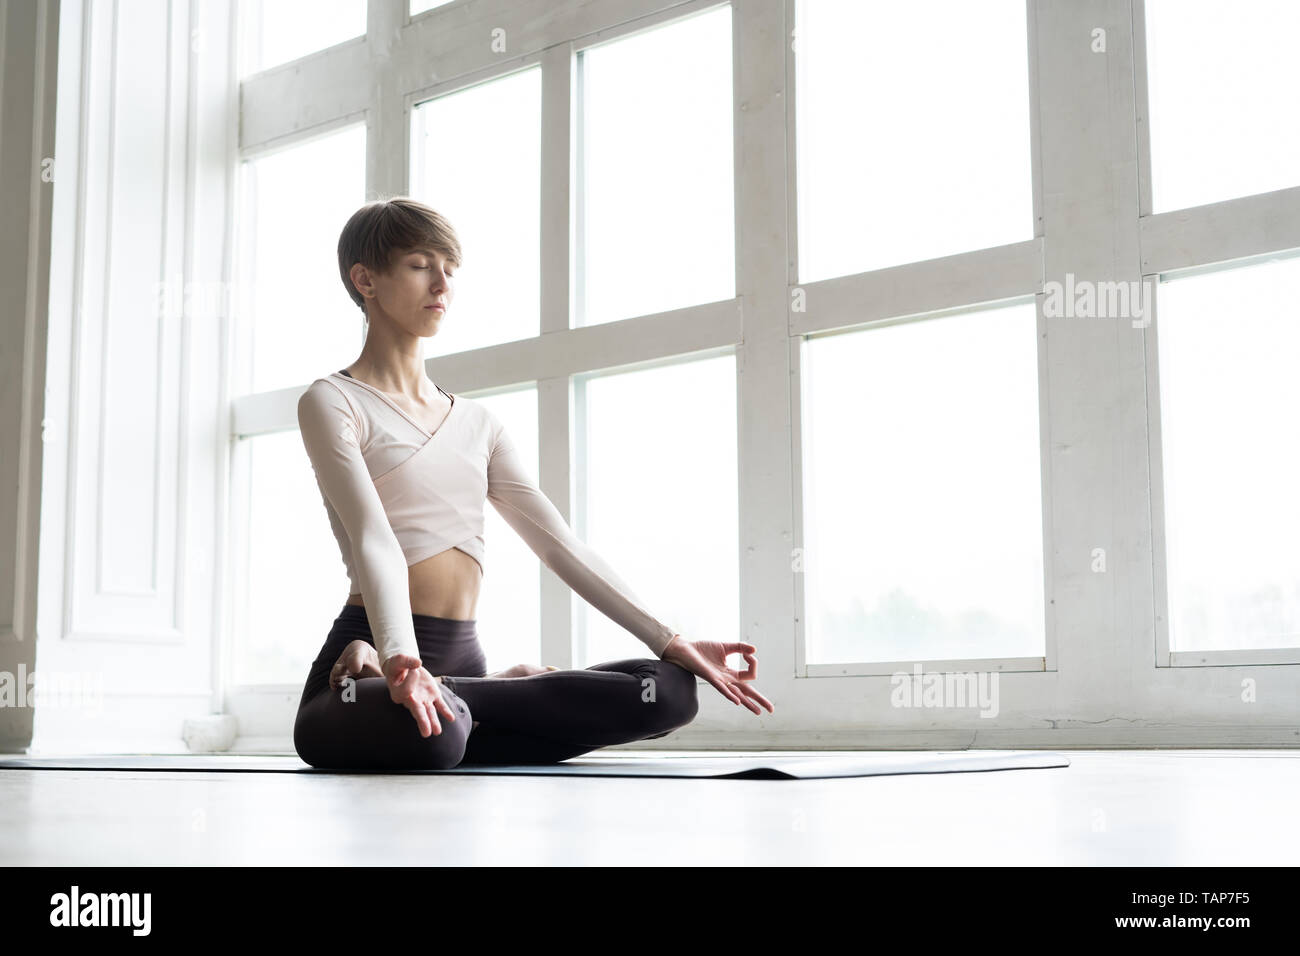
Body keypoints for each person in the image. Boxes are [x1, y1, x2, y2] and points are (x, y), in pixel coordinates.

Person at [292, 197, 773, 770]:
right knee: (436, 737)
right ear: (366, 279)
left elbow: (559, 545)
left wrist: (670, 641)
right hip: (356, 682)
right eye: (421, 264)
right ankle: (441, 695)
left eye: (451, 267)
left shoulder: (479, 424)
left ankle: (469, 696)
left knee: (668, 691)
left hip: (458, 670)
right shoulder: (333, 401)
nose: (442, 282)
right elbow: (375, 539)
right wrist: (401, 659)